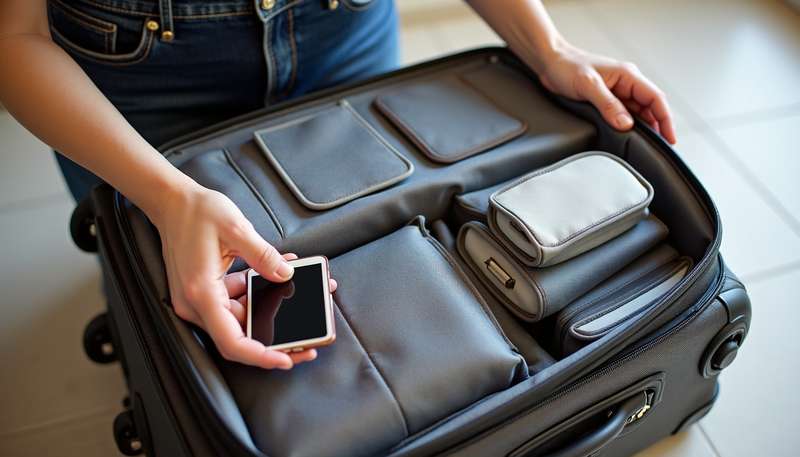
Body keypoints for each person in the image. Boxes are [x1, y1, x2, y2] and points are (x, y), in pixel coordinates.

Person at [0, 0, 676, 371]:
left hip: (346, 35)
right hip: (135, 90)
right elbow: (14, 36)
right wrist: (166, 193)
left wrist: (547, 47)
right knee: (193, 314)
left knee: (363, 273)